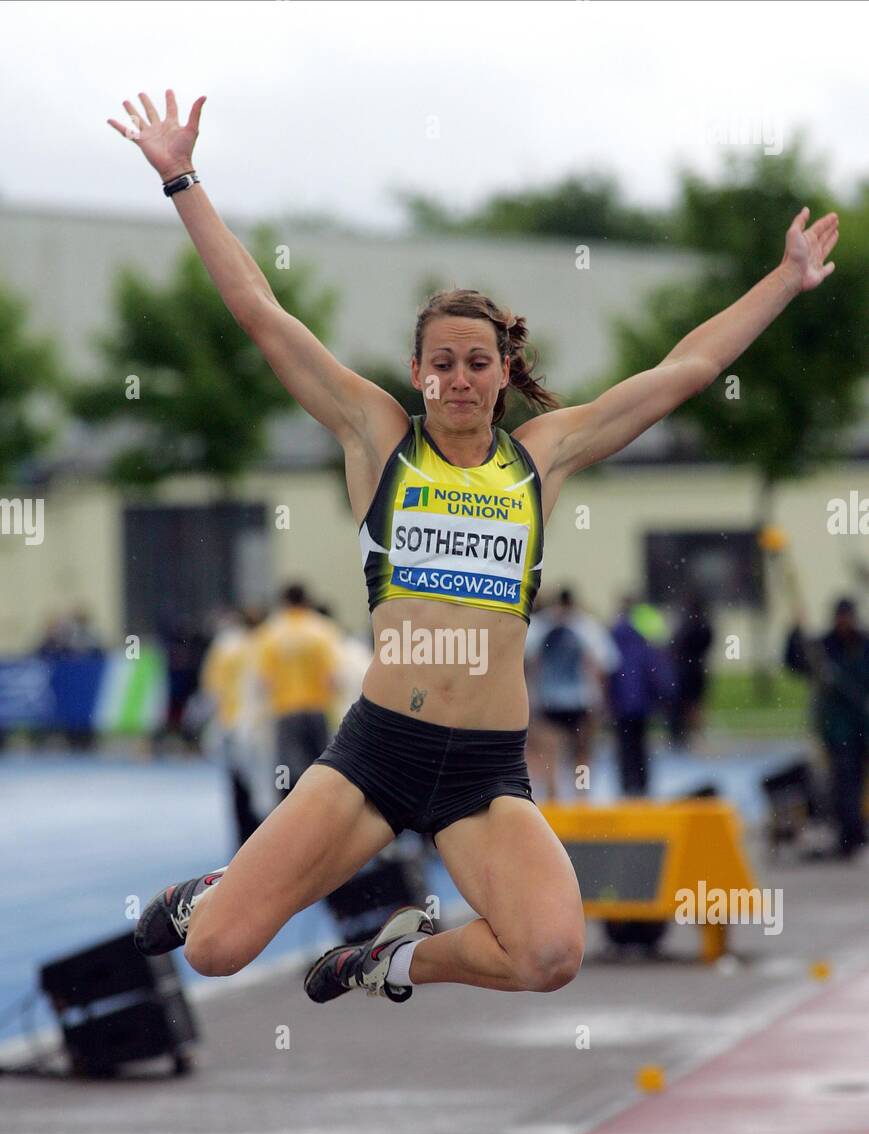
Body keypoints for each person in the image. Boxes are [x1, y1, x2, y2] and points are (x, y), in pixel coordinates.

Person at [114, 89, 839, 1003]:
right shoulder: (378, 437)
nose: (459, 378)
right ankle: (208, 899)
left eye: (478, 362)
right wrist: (180, 177)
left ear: (503, 375)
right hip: (378, 754)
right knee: (216, 951)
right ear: (417, 373)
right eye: (442, 363)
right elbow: (260, 311)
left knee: (548, 956)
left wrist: (783, 280)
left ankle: (389, 959)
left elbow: (682, 373)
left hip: (486, 769)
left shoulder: (543, 455)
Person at [784, 597, 869, 860]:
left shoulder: (864, 645)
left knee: (857, 784)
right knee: (844, 783)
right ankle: (849, 834)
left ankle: (856, 830)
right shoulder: (823, 648)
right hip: (839, 730)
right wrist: (794, 634)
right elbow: (795, 661)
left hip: (863, 726)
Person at [251, 583, 343, 804]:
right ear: (307, 601)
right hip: (316, 709)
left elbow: (264, 681)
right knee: (321, 768)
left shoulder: (271, 632)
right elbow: (333, 678)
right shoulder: (322, 630)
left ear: (283, 602)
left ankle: (285, 809)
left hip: (285, 709)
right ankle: (320, 813)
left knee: (284, 769)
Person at [525, 587, 620, 800]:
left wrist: (531, 697)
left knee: (551, 754)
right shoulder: (587, 626)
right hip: (580, 702)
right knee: (582, 753)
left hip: (550, 702)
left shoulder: (539, 626)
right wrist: (601, 700)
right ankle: (581, 795)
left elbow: (527, 663)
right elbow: (604, 665)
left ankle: (553, 798)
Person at [199, 607, 263, 848]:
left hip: (232, 723)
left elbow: (210, 685)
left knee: (239, 784)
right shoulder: (263, 642)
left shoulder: (226, 645)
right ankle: (258, 837)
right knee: (263, 786)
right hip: (256, 725)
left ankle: (244, 838)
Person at [608, 597, 673, 795]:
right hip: (641, 700)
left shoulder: (613, 637)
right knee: (641, 744)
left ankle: (627, 783)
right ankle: (641, 782)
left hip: (621, 700)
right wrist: (663, 694)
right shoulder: (643, 639)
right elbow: (654, 670)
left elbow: (608, 668)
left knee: (624, 744)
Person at [667, 589, 714, 746]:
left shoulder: (687, 625)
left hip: (686, 669)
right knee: (694, 704)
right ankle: (694, 735)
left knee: (689, 704)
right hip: (695, 668)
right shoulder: (702, 623)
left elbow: (677, 645)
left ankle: (689, 735)